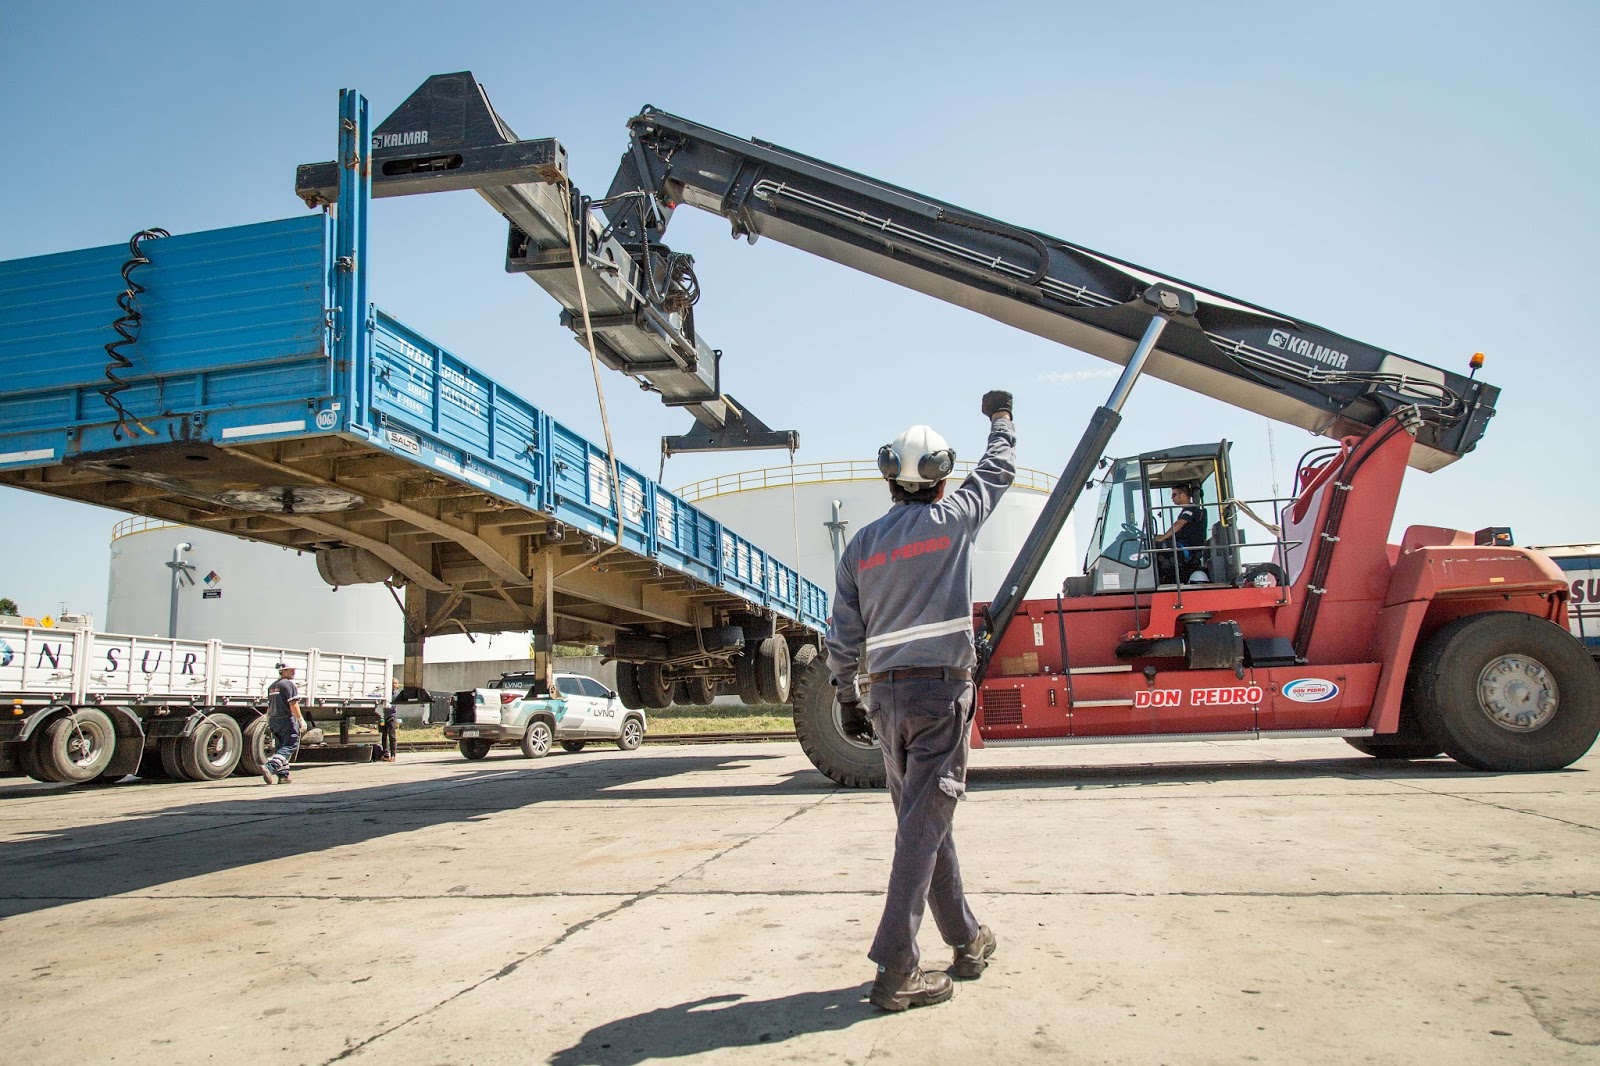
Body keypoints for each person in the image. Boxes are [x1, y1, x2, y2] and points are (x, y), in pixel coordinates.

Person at [825, 388, 1015, 1012]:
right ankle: (896, 967)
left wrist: (845, 692)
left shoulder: (860, 547)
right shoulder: (954, 518)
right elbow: (1000, 469)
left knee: (925, 821)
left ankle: (966, 939)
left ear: (889, 480)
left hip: (885, 701)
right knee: (923, 826)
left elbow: (843, 634)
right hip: (940, 693)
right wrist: (1000, 417)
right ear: (940, 479)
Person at [1150, 482, 1208, 585]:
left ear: (1182, 495)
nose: (1172, 498)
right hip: (1182, 545)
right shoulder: (1187, 510)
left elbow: (1179, 524)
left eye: (1174, 495)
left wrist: (1161, 539)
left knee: (1156, 546)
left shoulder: (1191, 509)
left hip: (1186, 549)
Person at [262, 662, 304, 785]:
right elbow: (293, 704)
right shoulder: (288, 684)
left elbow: (269, 706)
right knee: (291, 745)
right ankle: (270, 767)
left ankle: (283, 776)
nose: (293, 672)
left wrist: (268, 720)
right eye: (290, 670)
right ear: (283, 671)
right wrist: (301, 720)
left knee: (281, 748)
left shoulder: (272, 686)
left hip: (275, 720)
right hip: (286, 719)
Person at [379, 679, 400, 762]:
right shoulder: (386, 693)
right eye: (392, 683)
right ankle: (386, 754)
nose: (394, 684)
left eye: (395, 683)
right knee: (384, 736)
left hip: (392, 716)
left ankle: (393, 754)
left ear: (397, 685)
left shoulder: (397, 694)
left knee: (392, 736)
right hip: (384, 716)